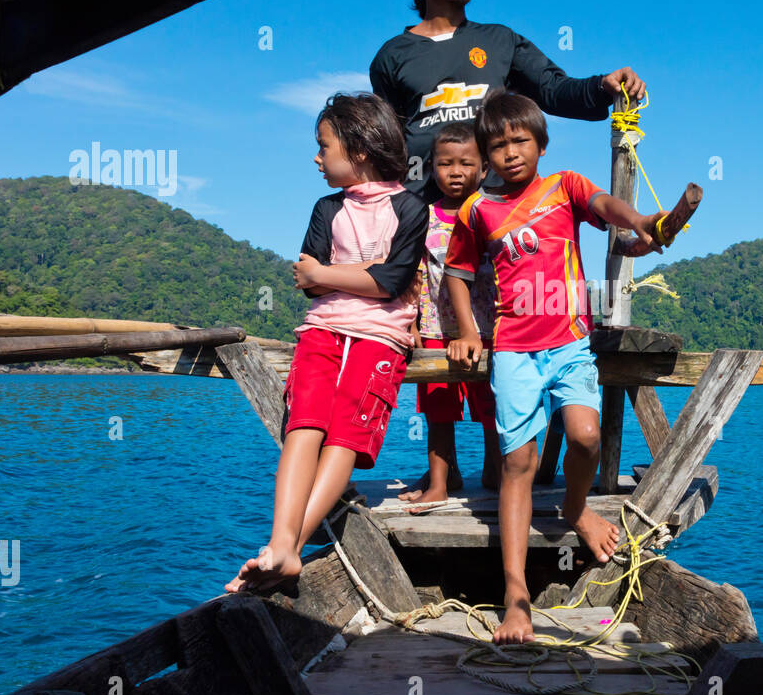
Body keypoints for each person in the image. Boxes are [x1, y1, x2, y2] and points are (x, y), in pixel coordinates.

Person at [443, 90, 664, 644]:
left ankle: (574, 507)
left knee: (585, 436)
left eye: (520, 141)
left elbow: (606, 208)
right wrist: (468, 331)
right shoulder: (477, 210)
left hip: (568, 342)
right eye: (497, 145)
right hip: (513, 349)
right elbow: (457, 273)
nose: (510, 153)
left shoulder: (563, 186)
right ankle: (515, 597)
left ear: (541, 143)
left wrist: (639, 220)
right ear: (486, 154)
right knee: (518, 463)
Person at [226, 93, 427, 592]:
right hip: (322, 330)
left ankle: (291, 548)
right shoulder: (327, 208)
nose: (317, 158)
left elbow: (393, 281)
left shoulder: (410, 207)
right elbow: (306, 279)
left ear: (358, 149)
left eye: (324, 146)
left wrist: (333, 274)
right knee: (304, 427)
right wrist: (355, 276)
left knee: (344, 440)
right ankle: (281, 543)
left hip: (380, 337)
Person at [369, 0, 647, 204]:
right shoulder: (391, 56)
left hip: (496, 209)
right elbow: (389, 144)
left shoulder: (500, 40)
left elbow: (553, 89)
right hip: (421, 211)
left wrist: (602, 86)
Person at [399, 122, 501, 505]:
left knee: (494, 405)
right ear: (431, 168)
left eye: (465, 163)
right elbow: (413, 275)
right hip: (436, 327)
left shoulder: (493, 214)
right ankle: (442, 482)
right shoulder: (423, 217)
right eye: (445, 164)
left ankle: (496, 471)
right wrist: (411, 325)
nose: (455, 171)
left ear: (484, 168)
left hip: (488, 328)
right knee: (439, 408)